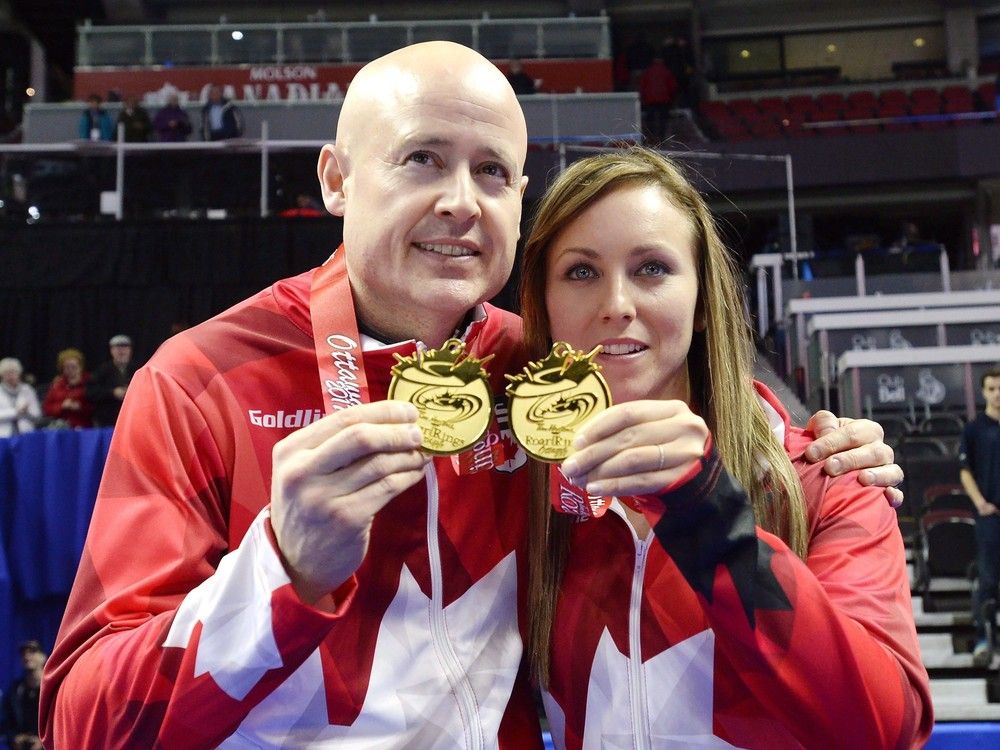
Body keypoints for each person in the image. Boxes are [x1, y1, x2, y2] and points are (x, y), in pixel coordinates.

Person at [41, 43, 901, 748]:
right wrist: (279, 574)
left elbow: (679, 375)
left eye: (493, 172)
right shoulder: (202, 384)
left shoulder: (542, 369)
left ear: (520, 200)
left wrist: (819, 452)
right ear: (337, 180)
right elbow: (81, 722)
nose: (460, 202)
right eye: (422, 159)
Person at [518, 148, 932, 748]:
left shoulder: (828, 478)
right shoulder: (522, 488)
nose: (616, 305)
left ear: (704, 302)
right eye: (581, 271)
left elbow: (882, 726)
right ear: (544, 305)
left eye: (652, 268)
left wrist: (707, 512)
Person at [960, 365, 1000, 667]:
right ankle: (984, 639)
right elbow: (965, 471)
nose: (998, 394)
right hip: (989, 517)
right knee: (987, 579)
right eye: (992, 388)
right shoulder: (974, 429)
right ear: (984, 392)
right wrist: (981, 503)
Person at [1, 640, 45, 750]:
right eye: (24, 653)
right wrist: (14, 738)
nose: (27, 655)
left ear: (43, 657)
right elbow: (5, 721)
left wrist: (43, 740)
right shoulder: (15, 690)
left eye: (32, 651)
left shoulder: (51, 690)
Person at [87, 334, 137, 428]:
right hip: (107, 420)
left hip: (132, 419)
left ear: (130, 350)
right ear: (111, 350)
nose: (121, 351)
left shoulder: (138, 369)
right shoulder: (102, 371)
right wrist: (112, 392)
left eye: (125, 348)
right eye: (118, 348)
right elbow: (91, 392)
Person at [41, 349, 93, 429]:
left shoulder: (90, 382)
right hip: (60, 424)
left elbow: (96, 406)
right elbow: (46, 408)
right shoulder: (57, 384)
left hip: (83, 426)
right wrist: (62, 406)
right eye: (67, 367)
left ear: (80, 367)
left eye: (74, 367)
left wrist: (80, 407)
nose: (70, 370)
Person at [639, 56, 678, 144]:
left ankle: (651, 137)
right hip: (664, 99)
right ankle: (661, 137)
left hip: (650, 99)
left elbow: (642, 86)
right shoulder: (667, 71)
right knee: (663, 119)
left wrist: (643, 98)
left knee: (650, 119)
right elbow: (673, 87)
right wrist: (672, 98)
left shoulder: (647, 72)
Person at [0, 358, 41, 438]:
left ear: (19, 374)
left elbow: (37, 415)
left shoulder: (28, 390)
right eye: (7, 374)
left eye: (13, 373)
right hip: (3, 436)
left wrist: (26, 412)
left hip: (25, 434)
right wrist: (15, 412)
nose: (10, 377)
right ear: (2, 376)